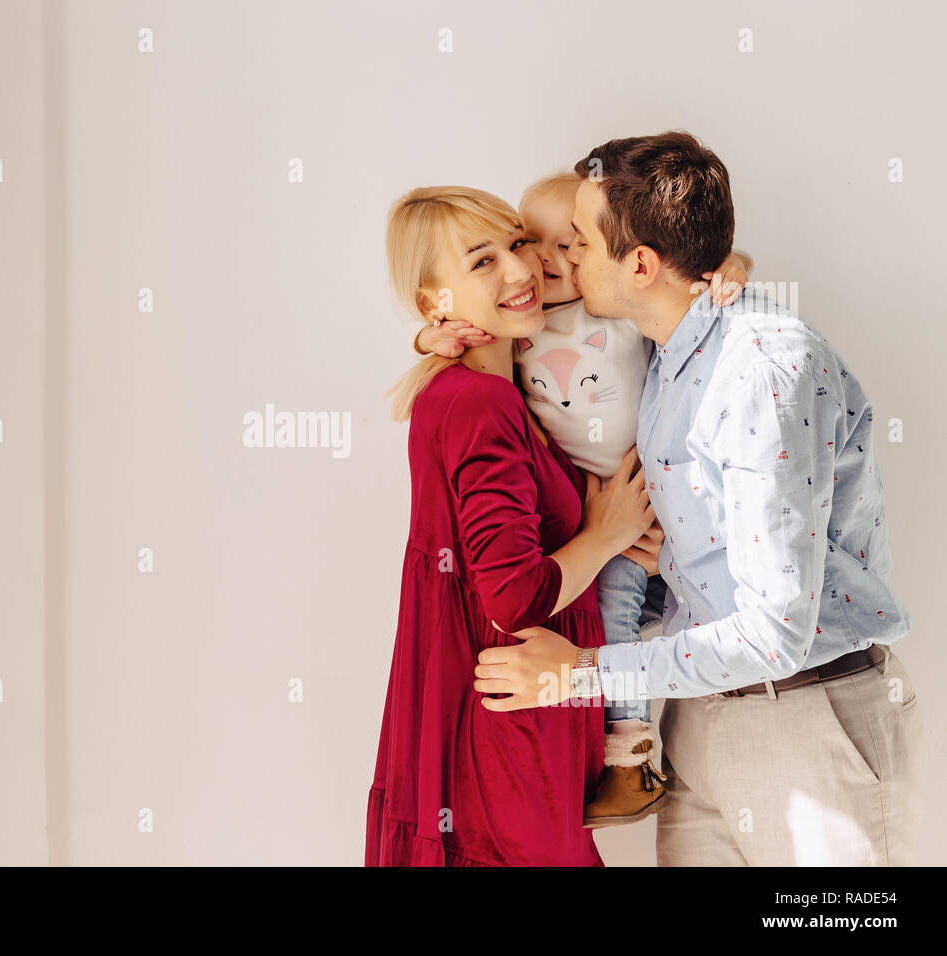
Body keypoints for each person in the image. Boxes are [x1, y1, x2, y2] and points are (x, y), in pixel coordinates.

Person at [475, 131, 921, 866]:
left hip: (807, 718)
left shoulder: (763, 368)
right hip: (699, 722)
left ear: (641, 265)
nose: (559, 259)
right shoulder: (664, 361)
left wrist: (579, 673)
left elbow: (776, 631)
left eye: (578, 241)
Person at [415, 172, 753, 827]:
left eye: (565, 244)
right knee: (621, 613)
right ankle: (631, 751)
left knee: (642, 614)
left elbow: (683, 303)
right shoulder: (521, 334)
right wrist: (429, 336)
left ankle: (629, 751)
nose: (538, 260)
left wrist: (724, 267)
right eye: (527, 240)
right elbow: (461, 329)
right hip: (610, 534)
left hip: (653, 516)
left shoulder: (613, 315)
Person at [365, 185, 653, 866]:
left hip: (492, 732)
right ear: (435, 302)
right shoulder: (483, 403)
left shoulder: (496, 391)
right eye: (482, 262)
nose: (521, 271)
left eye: (518, 244)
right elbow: (513, 594)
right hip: (504, 741)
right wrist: (607, 536)